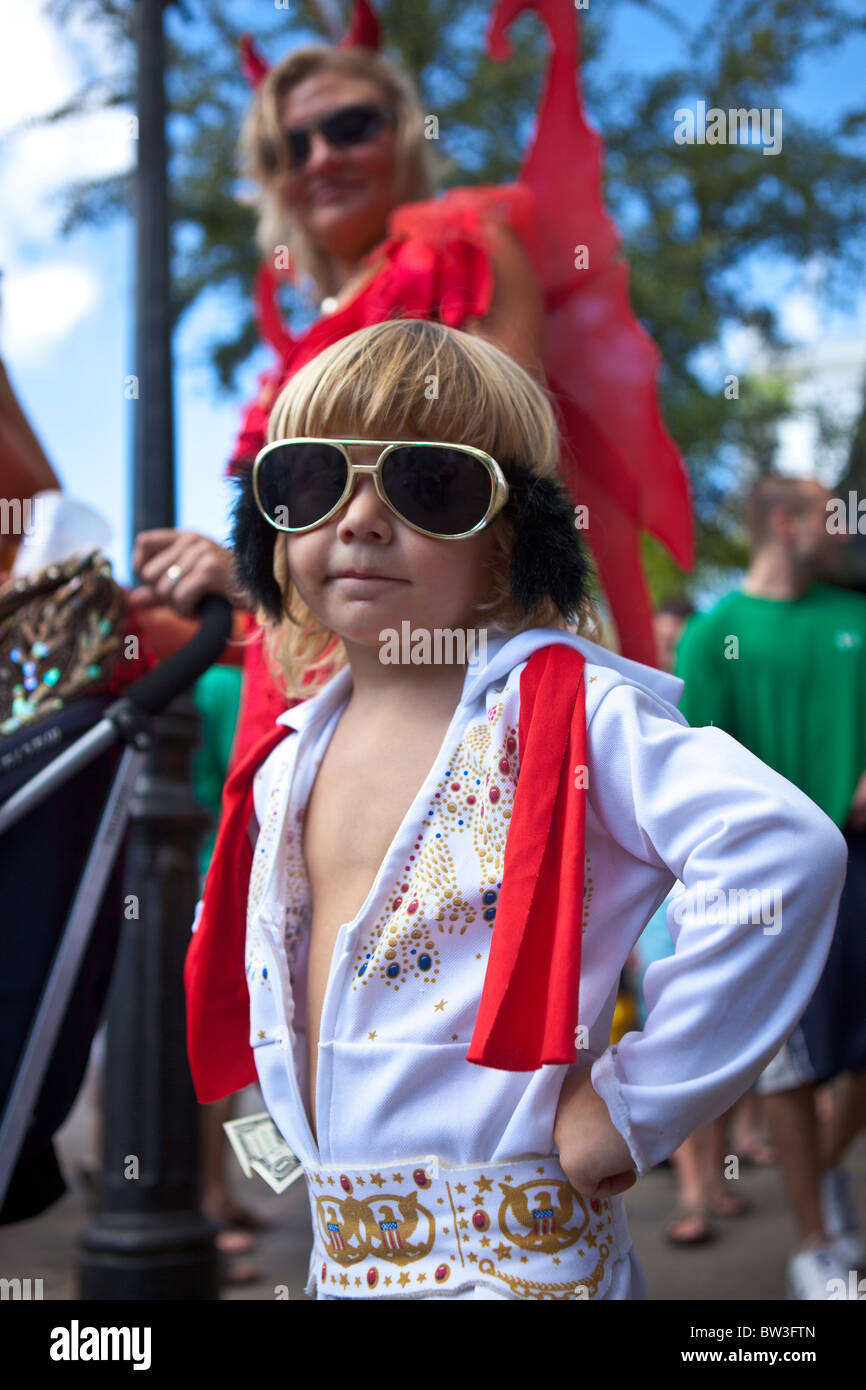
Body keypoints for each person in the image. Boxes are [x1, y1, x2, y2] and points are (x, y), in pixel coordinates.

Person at [184, 319, 846, 1301]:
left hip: (520, 1269)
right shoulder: (288, 753)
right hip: (340, 1266)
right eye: (315, 479)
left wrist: (631, 1104)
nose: (361, 518)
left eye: (428, 484)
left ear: (511, 539)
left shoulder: (562, 709)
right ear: (273, 524)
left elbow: (778, 850)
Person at [130, 0, 693, 770]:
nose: (322, 156)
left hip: (428, 713)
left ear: (402, 135)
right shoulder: (292, 355)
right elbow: (302, 599)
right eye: (292, 145)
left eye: (351, 126)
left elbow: (487, 470)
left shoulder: (461, 240)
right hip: (293, 718)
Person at [675, 473, 866, 1298]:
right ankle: (815, 1242)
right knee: (790, 1069)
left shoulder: (856, 620)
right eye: (832, 516)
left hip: (862, 865)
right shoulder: (715, 634)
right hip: (768, 884)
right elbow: (701, 777)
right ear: (785, 524)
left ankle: (818, 1172)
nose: (846, 529)